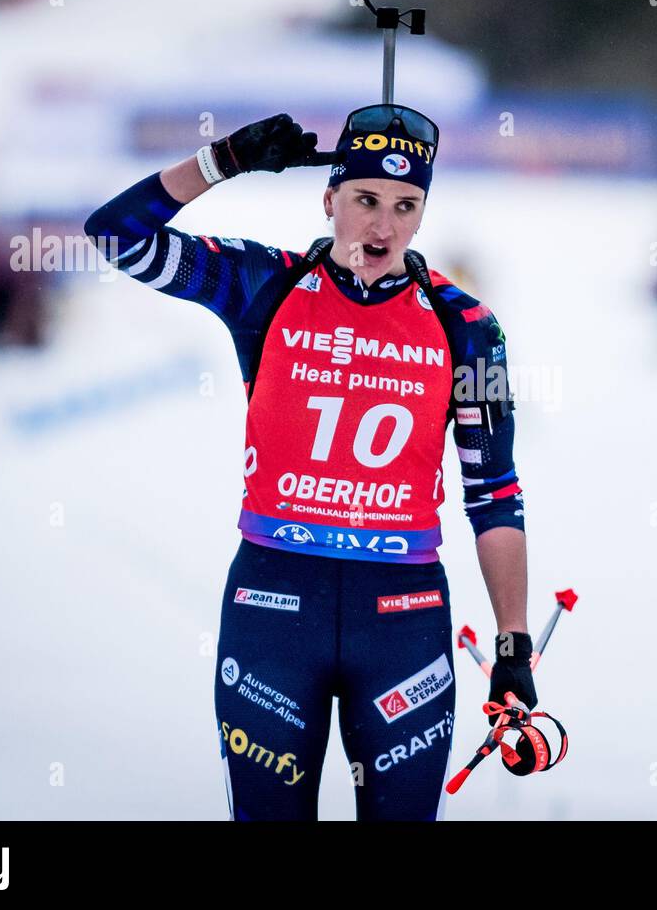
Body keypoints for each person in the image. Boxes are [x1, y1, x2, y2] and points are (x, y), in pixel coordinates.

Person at [84, 108, 535, 820]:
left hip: (403, 620)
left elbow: (495, 494)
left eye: (404, 207)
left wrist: (514, 644)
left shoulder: (466, 327)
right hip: (272, 608)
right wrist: (222, 161)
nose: (381, 228)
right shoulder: (263, 284)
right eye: (364, 201)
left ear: (422, 216)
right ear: (329, 201)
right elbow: (116, 236)